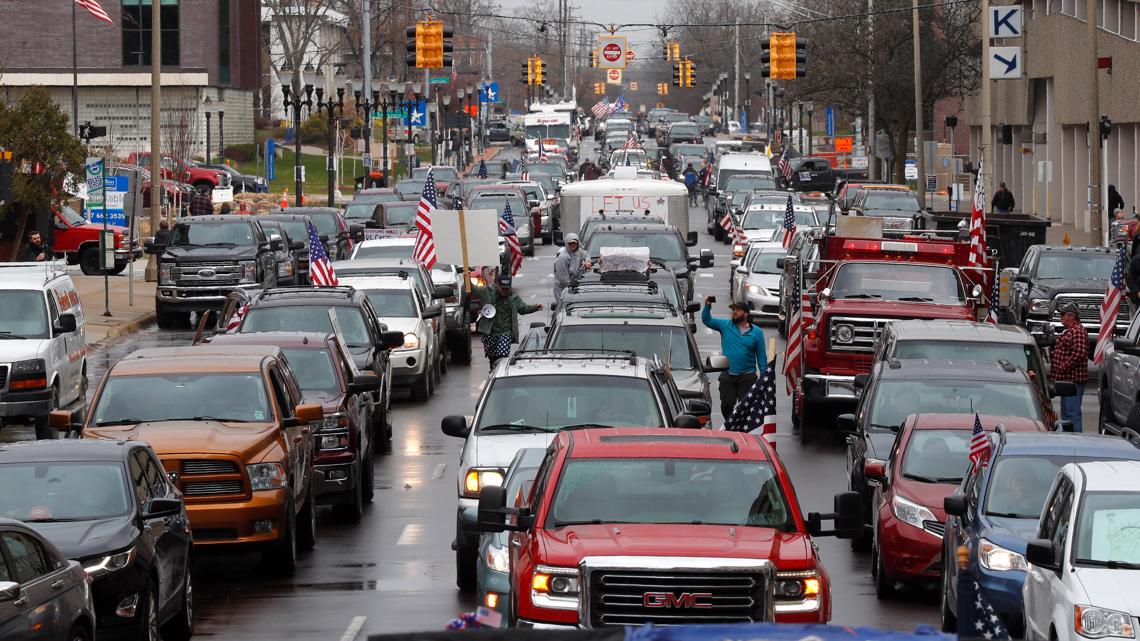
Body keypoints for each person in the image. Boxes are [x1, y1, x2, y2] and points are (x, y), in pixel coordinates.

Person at [702, 297, 767, 421]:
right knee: (726, 405)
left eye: (738, 310)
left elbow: (761, 356)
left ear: (746, 314)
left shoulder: (757, 332)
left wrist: (764, 377)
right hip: (728, 375)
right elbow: (707, 320)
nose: (734, 312)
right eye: (733, 310)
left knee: (746, 407)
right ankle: (730, 423)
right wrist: (707, 305)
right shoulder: (725, 325)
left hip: (747, 376)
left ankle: (741, 428)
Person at [470, 273, 543, 370]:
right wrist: (466, 277)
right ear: (497, 285)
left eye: (507, 288)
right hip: (490, 332)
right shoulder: (488, 291)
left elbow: (523, 309)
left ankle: (500, 371)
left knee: (502, 357)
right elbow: (474, 290)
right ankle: (493, 372)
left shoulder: (513, 298)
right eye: (502, 288)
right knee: (492, 358)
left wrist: (535, 307)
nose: (505, 291)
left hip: (505, 333)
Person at [1050, 301, 1088, 432]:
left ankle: (1076, 440)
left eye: (1063, 314)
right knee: (1066, 415)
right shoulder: (1070, 331)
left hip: (1073, 381)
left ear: (1072, 316)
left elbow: (1079, 353)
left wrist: (1062, 367)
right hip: (1067, 381)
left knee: (1072, 414)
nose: (1061, 317)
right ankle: (1068, 439)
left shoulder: (1077, 331)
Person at [552, 233, 591, 303]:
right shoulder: (563, 258)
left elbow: (586, 254)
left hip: (572, 286)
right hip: (562, 289)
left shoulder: (579, 252)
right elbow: (563, 277)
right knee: (565, 307)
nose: (573, 245)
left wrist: (587, 261)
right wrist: (571, 285)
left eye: (575, 243)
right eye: (571, 243)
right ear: (567, 244)